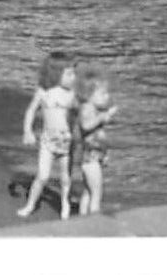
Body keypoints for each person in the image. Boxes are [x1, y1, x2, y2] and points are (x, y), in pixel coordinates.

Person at [17, 52, 78, 220]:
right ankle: (30, 205)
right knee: (42, 176)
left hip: (67, 141)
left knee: (65, 178)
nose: (73, 78)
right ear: (56, 74)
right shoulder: (44, 92)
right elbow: (31, 110)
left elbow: (80, 114)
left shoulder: (72, 94)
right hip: (48, 141)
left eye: (74, 73)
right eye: (69, 74)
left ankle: (66, 205)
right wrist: (27, 131)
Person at [76, 70, 119, 215]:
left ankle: (82, 218)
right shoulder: (87, 108)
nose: (107, 97)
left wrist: (105, 154)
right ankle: (94, 220)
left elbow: (100, 136)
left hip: (96, 156)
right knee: (96, 193)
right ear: (89, 95)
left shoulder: (96, 109)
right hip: (90, 159)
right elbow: (86, 126)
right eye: (103, 94)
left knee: (88, 191)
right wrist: (102, 117)